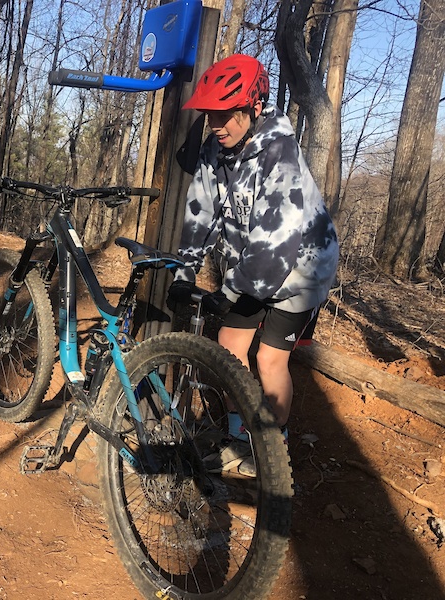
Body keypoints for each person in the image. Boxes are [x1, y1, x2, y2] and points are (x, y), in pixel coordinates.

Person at [166, 54, 339, 476]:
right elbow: (200, 209)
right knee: (229, 343)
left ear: (254, 107)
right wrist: (185, 270)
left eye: (226, 115)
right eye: (210, 116)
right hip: (256, 264)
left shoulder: (279, 157)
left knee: (269, 359)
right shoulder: (216, 149)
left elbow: (274, 249)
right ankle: (241, 435)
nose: (217, 125)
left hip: (301, 270)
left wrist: (227, 292)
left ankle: (272, 450)